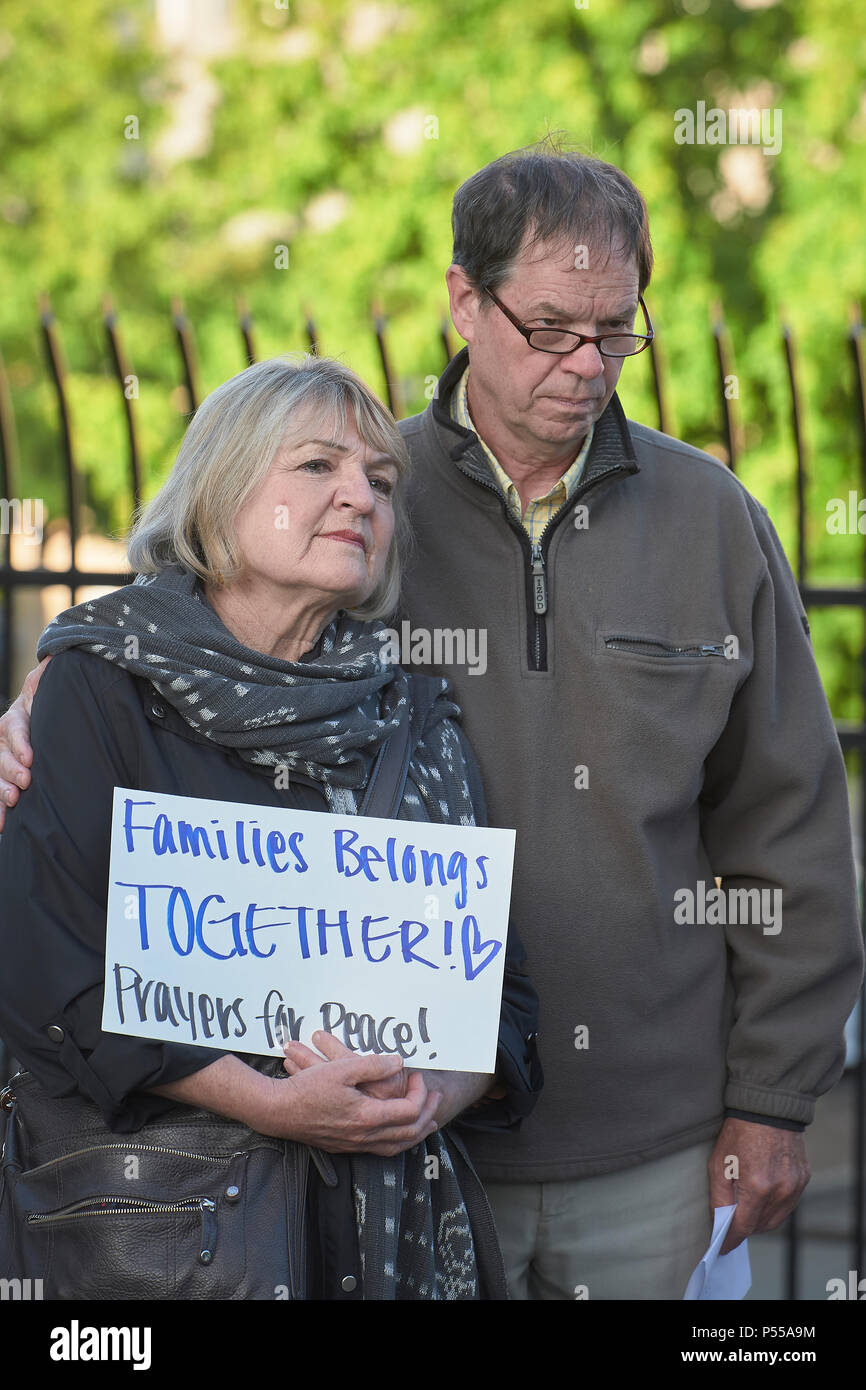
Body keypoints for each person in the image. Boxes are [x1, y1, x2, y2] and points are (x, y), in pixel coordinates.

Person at [2, 138, 863, 1301]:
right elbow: (164, 653)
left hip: (653, 1147)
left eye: (616, 328)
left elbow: (788, 823)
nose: (586, 362)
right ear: (465, 299)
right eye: (550, 325)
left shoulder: (707, 518)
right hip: (382, 1171)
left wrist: (771, 1098)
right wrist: (47, 684)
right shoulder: (351, 509)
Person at [0, 353, 540, 1301]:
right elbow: (43, 969)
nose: (359, 497)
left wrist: (426, 1100)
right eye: (318, 466)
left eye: (378, 480)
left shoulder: (414, 718)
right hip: (175, 1231)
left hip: (379, 1232)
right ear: (221, 486)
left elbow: (504, 995)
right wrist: (268, 1103)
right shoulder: (100, 683)